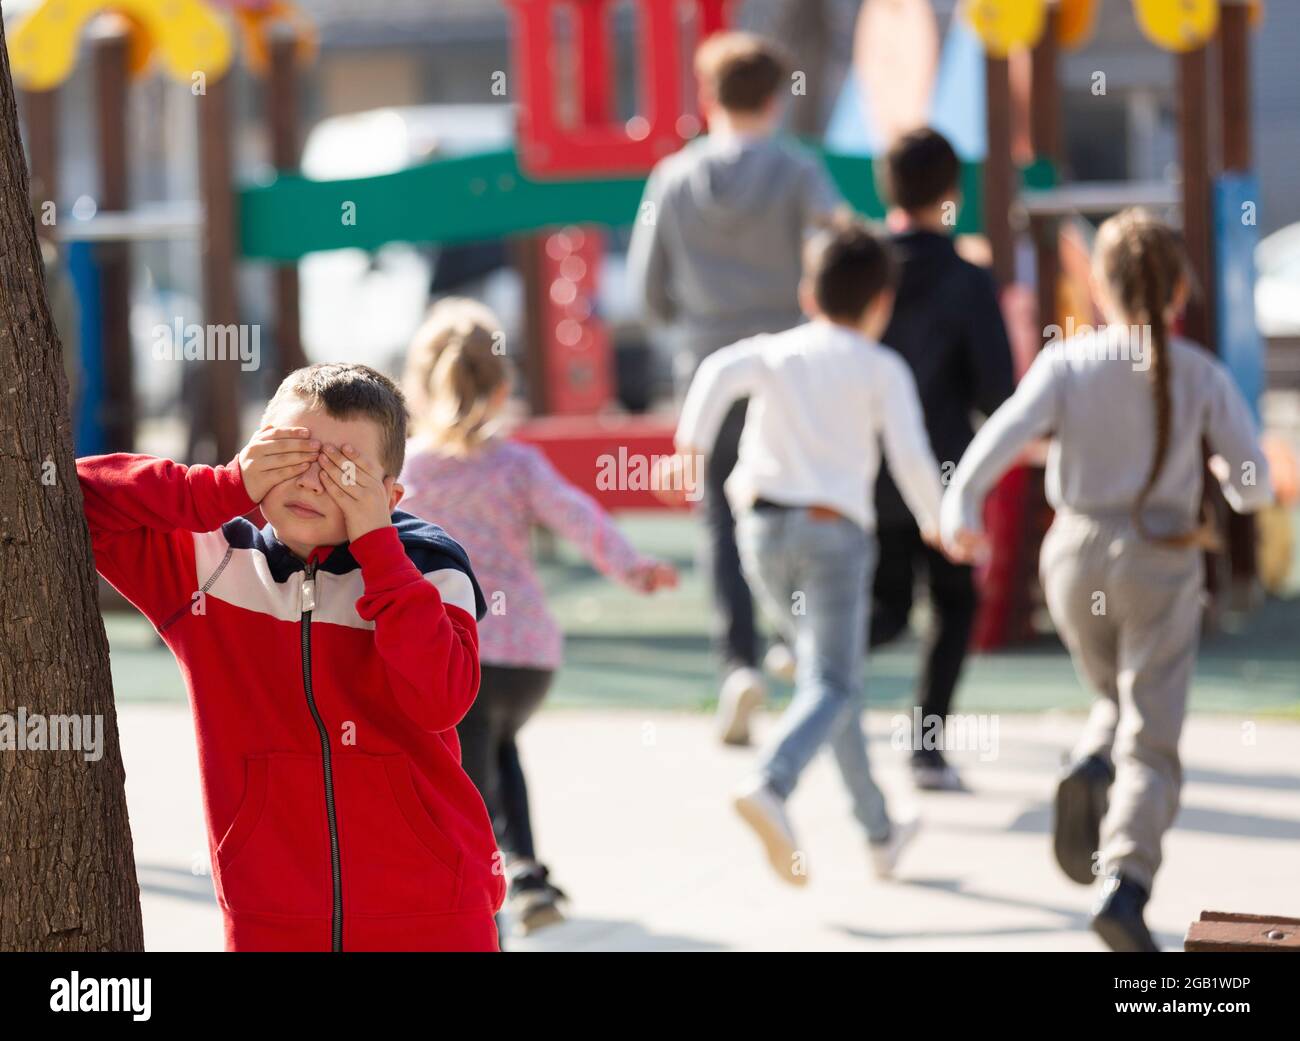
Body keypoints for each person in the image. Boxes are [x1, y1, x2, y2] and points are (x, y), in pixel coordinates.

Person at [77, 363, 504, 951]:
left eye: (342, 470)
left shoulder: (428, 566)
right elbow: (77, 495)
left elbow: (441, 699)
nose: (310, 482)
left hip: (435, 914)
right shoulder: (213, 564)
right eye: (291, 455)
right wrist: (222, 487)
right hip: (268, 922)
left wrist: (378, 547)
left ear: (390, 494)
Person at [941, 209, 1274, 951]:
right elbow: (1253, 487)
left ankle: (1092, 759)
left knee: (1111, 694)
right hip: (1158, 561)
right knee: (1152, 740)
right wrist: (1227, 471)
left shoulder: (1069, 363)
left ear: (1099, 288)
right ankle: (1125, 883)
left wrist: (958, 504)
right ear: (1180, 290)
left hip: (1072, 555)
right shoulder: (1201, 374)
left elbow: (997, 436)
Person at [663, 221, 945, 886]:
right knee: (836, 683)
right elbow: (909, 454)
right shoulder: (882, 367)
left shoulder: (777, 350)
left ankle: (879, 831)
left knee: (829, 682)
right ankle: (772, 780)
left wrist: (691, 445)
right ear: (881, 304)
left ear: (807, 292)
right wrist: (940, 521)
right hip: (834, 537)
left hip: (760, 534)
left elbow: (716, 370)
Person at [398, 298, 677, 935]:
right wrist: (634, 567)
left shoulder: (407, 471)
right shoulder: (516, 464)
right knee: (497, 749)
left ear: (419, 384)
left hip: (453, 656)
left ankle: (487, 908)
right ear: (502, 389)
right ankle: (525, 872)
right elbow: (579, 516)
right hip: (526, 657)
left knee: (467, 784)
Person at [628, 30, 844, 746]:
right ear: (777, 98)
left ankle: (737, 663)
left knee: (719, 518)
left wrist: (688, 323)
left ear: (707, 96)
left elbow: (646, 288)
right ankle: (796, 639)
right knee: (802, 504)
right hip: (792, 366)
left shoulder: (673, 178)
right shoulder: (799, 171)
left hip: (707, 365)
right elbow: (838, 252)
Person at [869, 127, 1015, 792]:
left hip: (863, 470)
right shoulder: (965, 277)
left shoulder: (860, 264)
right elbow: (995, 390)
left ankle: (810, 651)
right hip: (943, 477)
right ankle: (927, 745)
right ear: (952, 192)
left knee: (885, 606)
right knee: (954, 604)